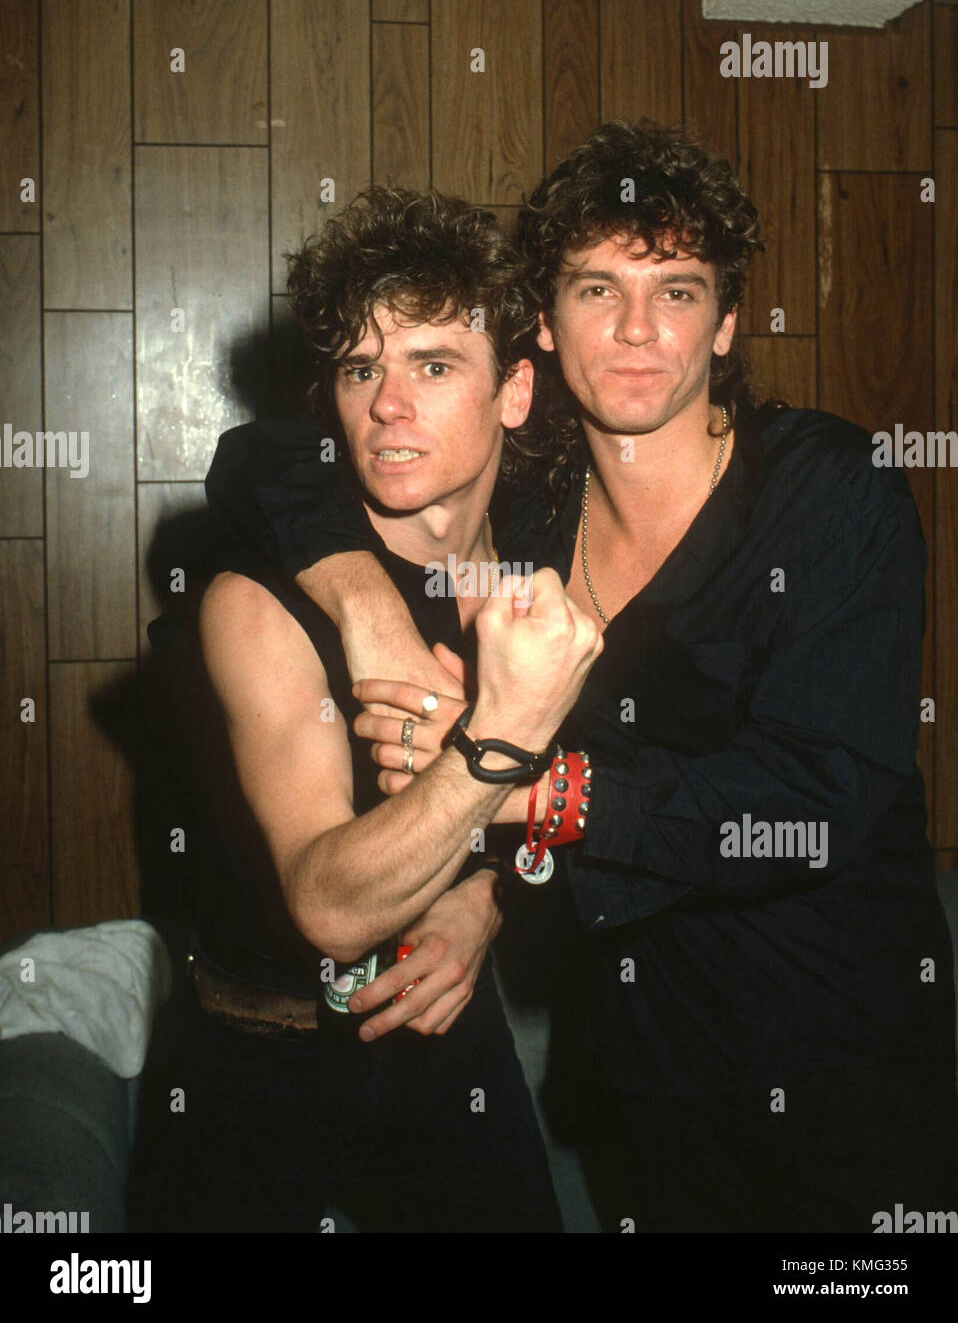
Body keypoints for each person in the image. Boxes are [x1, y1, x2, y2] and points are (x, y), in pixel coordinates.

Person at [205, 121, 958, 1234]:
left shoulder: (826, 489)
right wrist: (479, 887)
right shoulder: (534, 515)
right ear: (545, 332)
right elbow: (264, 457)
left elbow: (814, 798)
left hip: (838, 1059)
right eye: (597, 290)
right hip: (640, 1068)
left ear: (729, 319)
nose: (640, 330)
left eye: (680, 289)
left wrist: (528, 794)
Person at [138, 185, 602, 1234]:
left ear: (513, 394)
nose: (387, 405)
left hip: (444, 1040)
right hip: (255, 1063)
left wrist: (487, 899)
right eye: (360, 368)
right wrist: (497, 742)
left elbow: (602, 802)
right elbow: (332, 903)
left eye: (433, 365)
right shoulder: (260, 601)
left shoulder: (549, 574)